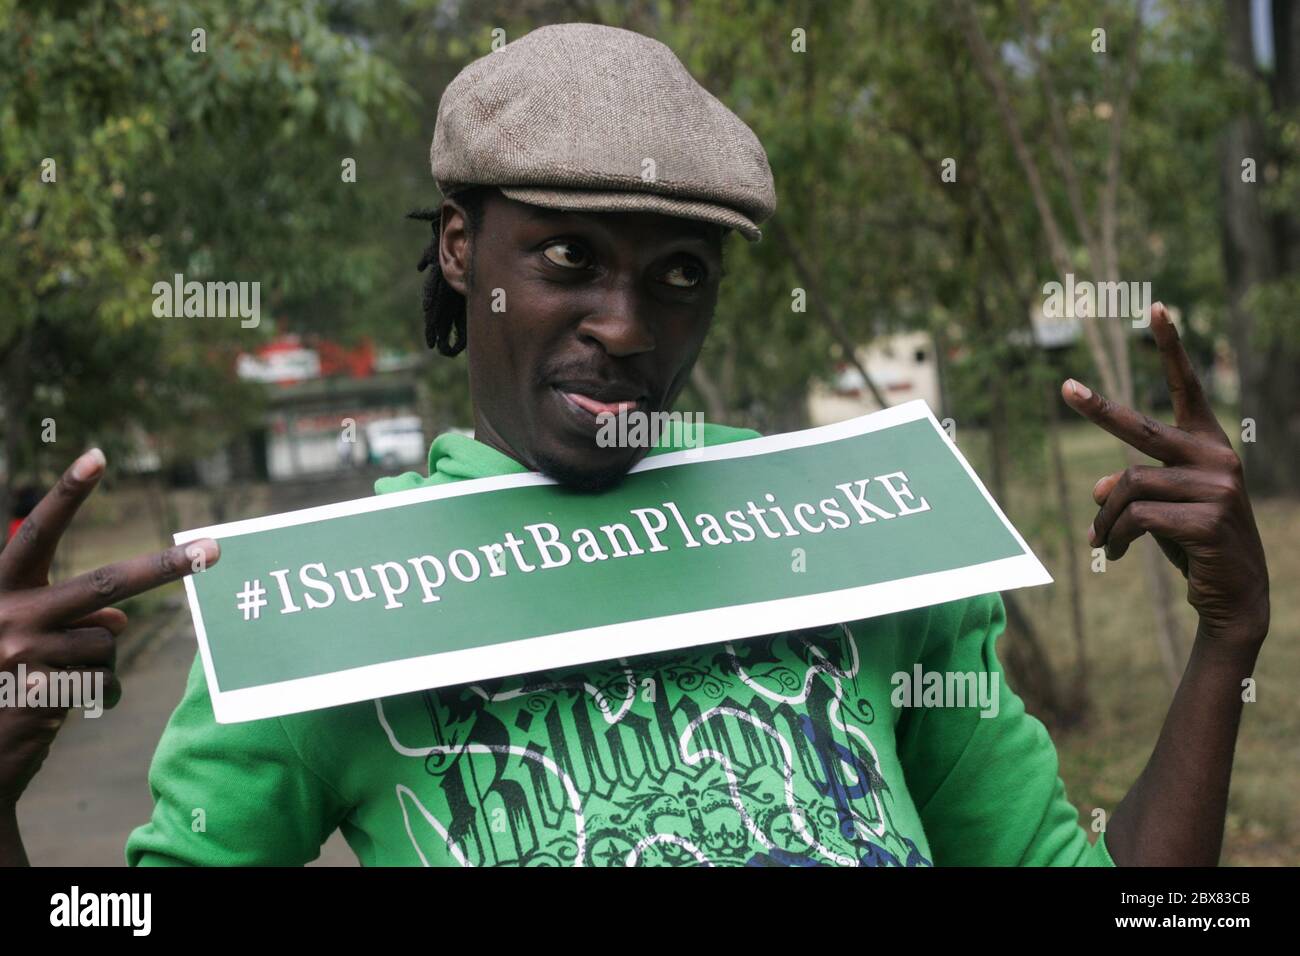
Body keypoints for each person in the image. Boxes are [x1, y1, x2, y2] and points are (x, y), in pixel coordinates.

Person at [0, 23, 1269, 867]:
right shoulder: (315, 609)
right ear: (460, 248)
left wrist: (1223, 643)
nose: (624, 324)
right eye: (567, 257)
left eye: (678, 272)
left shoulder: (857, 536)